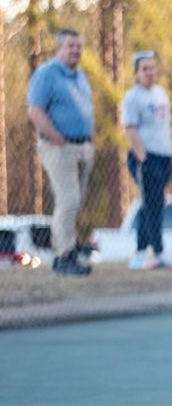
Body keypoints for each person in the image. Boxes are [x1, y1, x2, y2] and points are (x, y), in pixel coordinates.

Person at [26, 29, 95, 276]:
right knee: (69, 200)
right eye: (70, 46)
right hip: (59, 147)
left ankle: (69, 249)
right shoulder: (47, 73)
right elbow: (35, 110)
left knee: (75, 202)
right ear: (58, 48)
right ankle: (64, 254)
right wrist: (57, 139)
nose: (75, 50)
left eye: (78, 46)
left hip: (83, 146)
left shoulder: (80, 76)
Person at [121, 50, 172, 270]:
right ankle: (159, 250)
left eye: (152, 68)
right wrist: (143, 158)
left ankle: (141, 251)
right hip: (146, 157)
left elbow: (165, 127)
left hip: (164, 156)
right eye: (144, 69)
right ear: (136, 73)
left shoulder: (161, 93)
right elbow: (130, 128)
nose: (149, 72)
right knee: (154, 206)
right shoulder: (133, 97)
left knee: (151, 205)